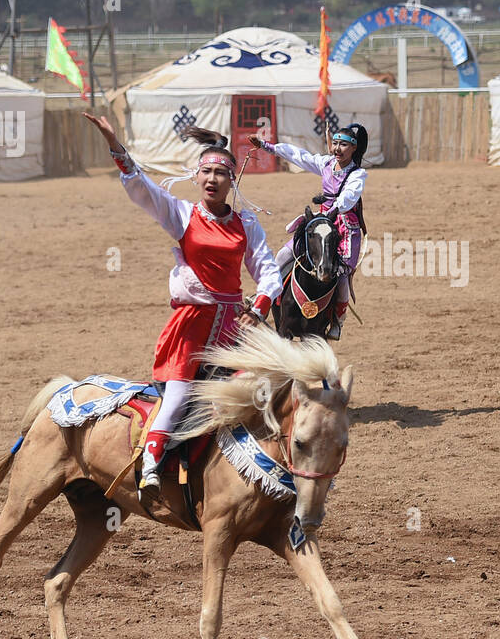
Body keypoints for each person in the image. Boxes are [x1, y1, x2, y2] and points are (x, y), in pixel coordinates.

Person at [83, 112, 282, 494]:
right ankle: (151, 462)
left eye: (221, 173)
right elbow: (143, 189)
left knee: (269, 387)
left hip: (235, 328)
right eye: (206, 173)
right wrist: (114, 145)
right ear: (196, 177)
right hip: (192, 327)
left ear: (231, 180)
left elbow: (268, 272)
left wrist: (259, 306)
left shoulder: (247, 224)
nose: (212, 180)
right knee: (178, 396)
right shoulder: (182, 215)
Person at [250, 124, 367, 341]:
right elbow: (300, 156)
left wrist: (332, 210)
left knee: (340, 277)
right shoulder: (326, 163)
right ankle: (262, 298)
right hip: (322, 220)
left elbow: (349, 196)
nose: (338, 148)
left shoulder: (358, 174)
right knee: (284, 255)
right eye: (335, 143)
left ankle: (337, 321)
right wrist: (267, 146)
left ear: (354, 149)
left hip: (343, 228)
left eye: (344, 145)